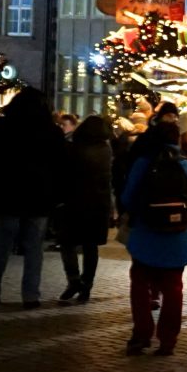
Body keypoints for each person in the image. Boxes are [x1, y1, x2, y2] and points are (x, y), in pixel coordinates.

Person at [0, 89, 64, 307]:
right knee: (34, 248)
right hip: (39, 197)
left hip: (5, 195)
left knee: (0, 245)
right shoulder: (52, 131)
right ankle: (30, 295)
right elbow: (60, 166)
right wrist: (57, 195)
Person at [121, 116, 187, 355]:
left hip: (145, 237)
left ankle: (141, 334)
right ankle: (168, 340)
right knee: (173, 289)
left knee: (140, 284)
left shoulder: (143, 164)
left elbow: (128, 198)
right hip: (178, 239)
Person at [56, 115, 115, 303]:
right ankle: (86, 285)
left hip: (74, 202)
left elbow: (64, 175)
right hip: (98, 204)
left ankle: (73, 280)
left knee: (68, 243)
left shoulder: (73, 149)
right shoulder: (105, 150)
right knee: (90, 247)